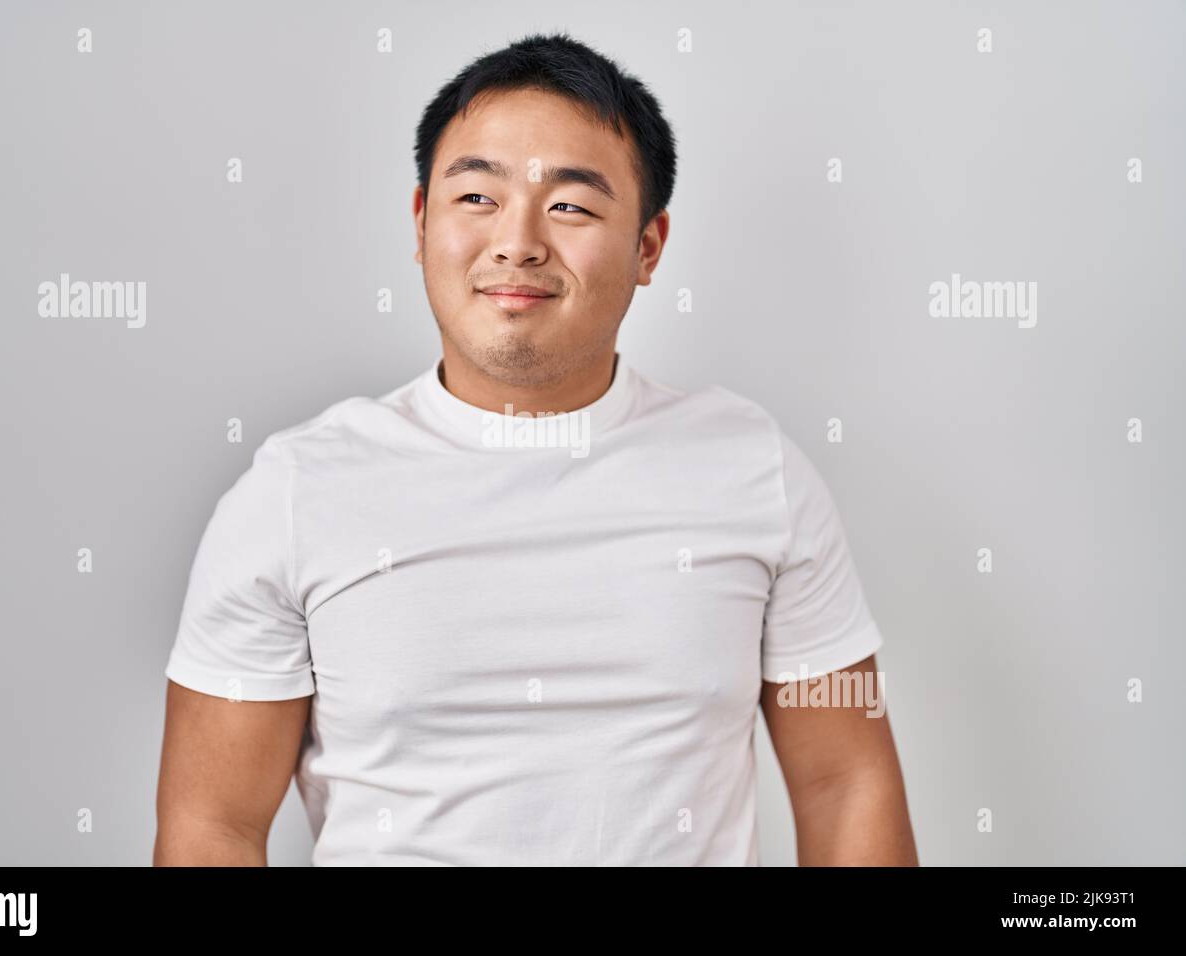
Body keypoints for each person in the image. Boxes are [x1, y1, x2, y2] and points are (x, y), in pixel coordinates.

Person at [154, 31, 917, 866]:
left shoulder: (752, 469)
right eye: (476, 197)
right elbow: (212, 824)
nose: (517, 242)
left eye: (572, 206)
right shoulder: (295, 492)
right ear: (420, 224)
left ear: (649, 247)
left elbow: (846, 784)